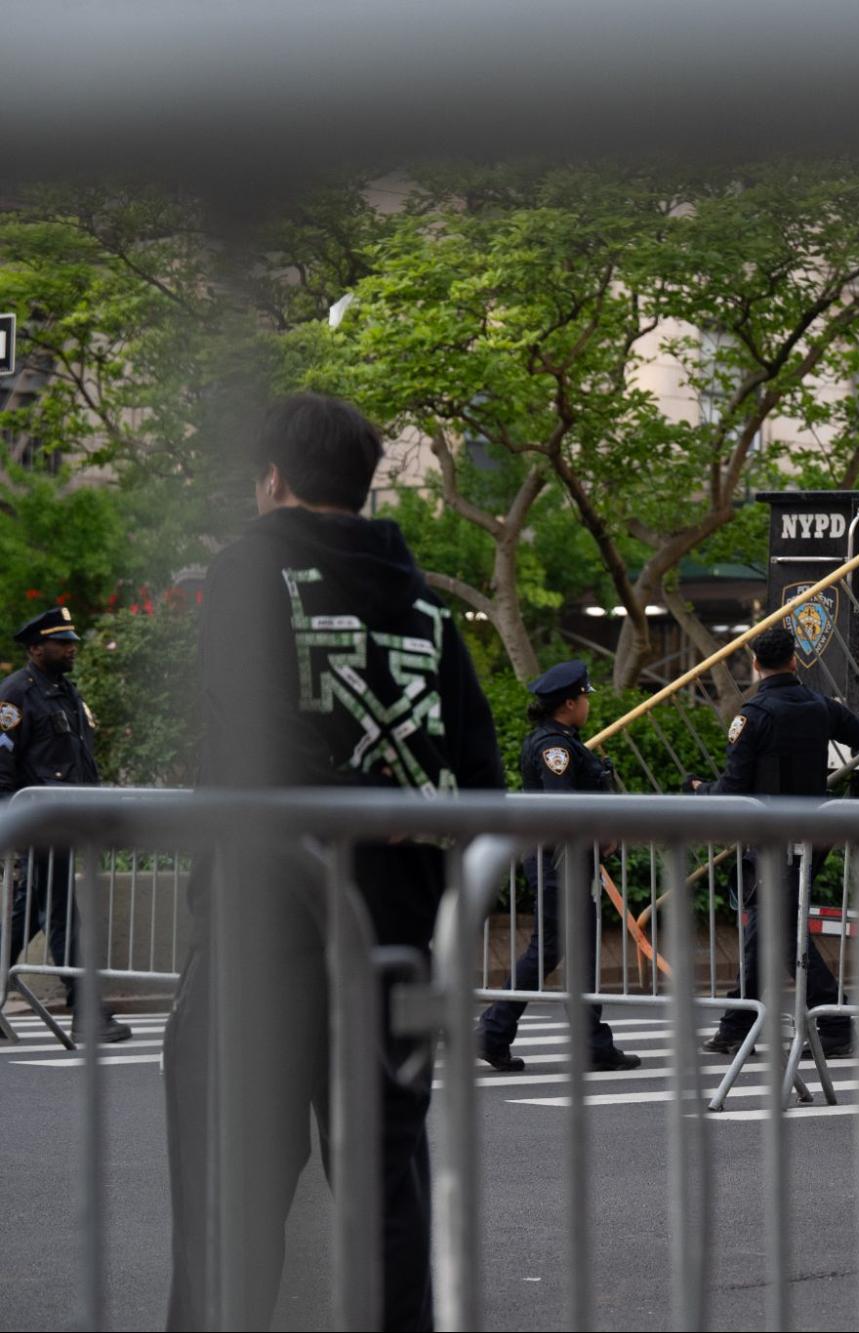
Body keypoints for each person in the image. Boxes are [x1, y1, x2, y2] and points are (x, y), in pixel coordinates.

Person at [165, 391, 505, 1331]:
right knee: (388, 1195)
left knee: (229, 1202)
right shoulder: (429, 610)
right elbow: (481, 780)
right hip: (400, 939)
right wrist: (395, 812)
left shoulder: (247, 572)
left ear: (271, 477)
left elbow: (250, 739)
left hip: (266, 926)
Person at [694, 624, 859, 1059]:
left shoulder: (753, 716)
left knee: (777, 930)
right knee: (772, 927)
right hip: (813, 836)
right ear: (795, 660)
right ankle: (739, 1025)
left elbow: (732, 790)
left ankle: (830, 1022)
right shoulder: (819, 706)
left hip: (772, 839)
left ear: (756, 664)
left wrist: (698, 788)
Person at [475, 659, 639, 1073]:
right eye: (584, 696)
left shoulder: (561, 741)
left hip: (558, 861)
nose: (587, 704)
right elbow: (563, 805)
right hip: (559, 862)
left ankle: (496, 1033)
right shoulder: (556, 748)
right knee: (560, 949)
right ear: (569, 702)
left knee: (557, 949)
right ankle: (584, 1044)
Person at [0, 606, 133, 1044]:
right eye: (62, 641)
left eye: (72, 640)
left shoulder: (65, 692)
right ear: (36, 647)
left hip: (66, 820)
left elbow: (78, 761)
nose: (72, 647)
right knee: (62, 914)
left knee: (24, 916)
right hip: (41, 821)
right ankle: (86, 1009)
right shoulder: (16, 694)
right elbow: (2, 769)